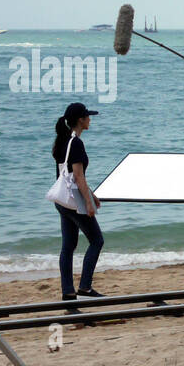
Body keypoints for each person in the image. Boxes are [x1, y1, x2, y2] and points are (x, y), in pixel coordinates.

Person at [51, 102, 105, 301]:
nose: (90, 119)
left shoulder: (63, 141)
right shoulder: (76, 143)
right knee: (97, 240)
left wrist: (92, 195)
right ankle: (85, 288)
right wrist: (89, 203)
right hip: (74, 201)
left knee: (68, 246)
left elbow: (68, 176)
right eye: (88, 116)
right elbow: (78, 176)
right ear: (80, 120)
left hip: (62, 200)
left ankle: (68, 291)